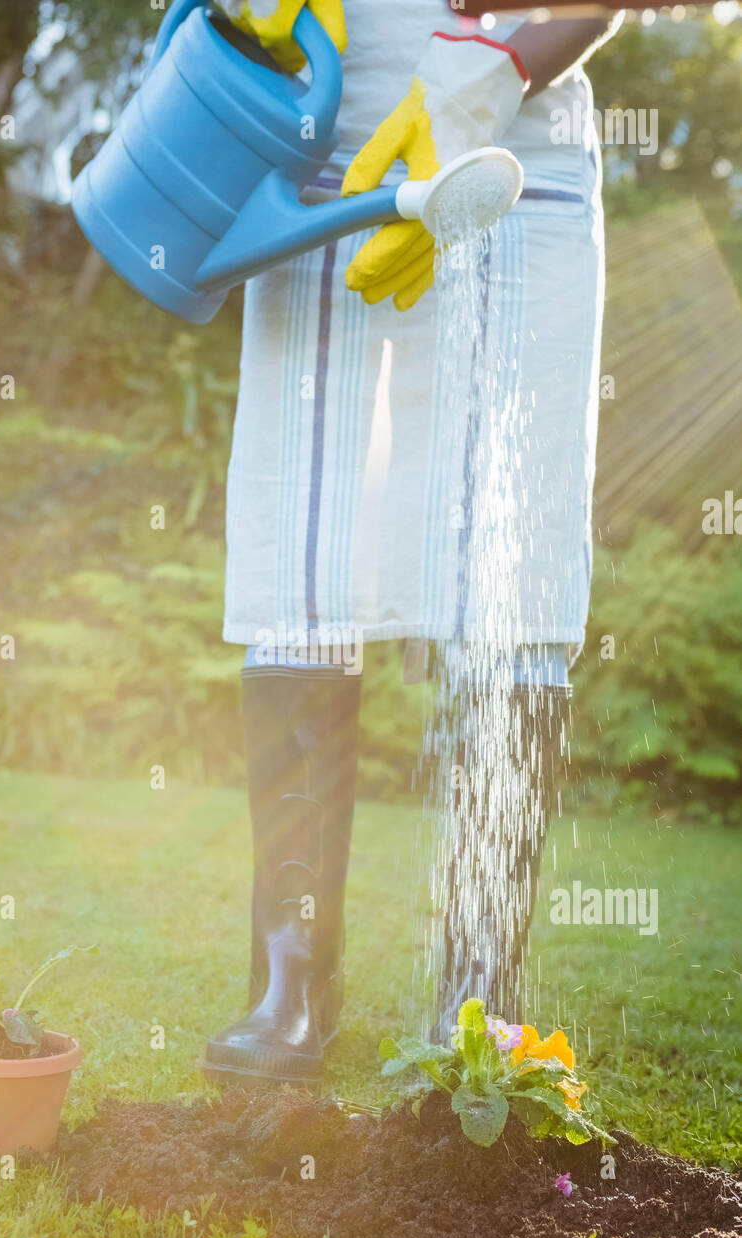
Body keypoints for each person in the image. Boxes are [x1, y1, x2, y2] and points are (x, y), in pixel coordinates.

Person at [203, 0, 617, 1086]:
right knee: (304, 552)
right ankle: (291, 984)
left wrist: (506, 60)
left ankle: (477, 1003)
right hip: (317, 160)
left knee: (506, 573)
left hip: (509, 156)